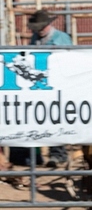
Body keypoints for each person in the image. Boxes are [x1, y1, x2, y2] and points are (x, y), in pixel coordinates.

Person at [25, 10, 72, 168]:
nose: (38, 30)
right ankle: (41, 154)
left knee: (55, 117)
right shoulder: (36, 38)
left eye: (41, 27)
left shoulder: (62, 39)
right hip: (41, 85)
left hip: (57, 84)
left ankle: (58, 154)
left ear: (48, 25)